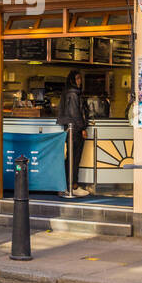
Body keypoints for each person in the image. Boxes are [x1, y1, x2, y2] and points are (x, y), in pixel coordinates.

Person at [56, 69, 89, 198]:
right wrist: (82, 128)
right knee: (74, 158)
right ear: (72, 80)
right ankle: (72, 185)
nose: (80, 81)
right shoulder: (73, 94)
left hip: (70, 129)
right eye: (77, 79)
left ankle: (68, 184)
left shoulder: (67, 93)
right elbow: (75, 113)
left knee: (70, 158)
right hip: (75, 131)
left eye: (80, 79)